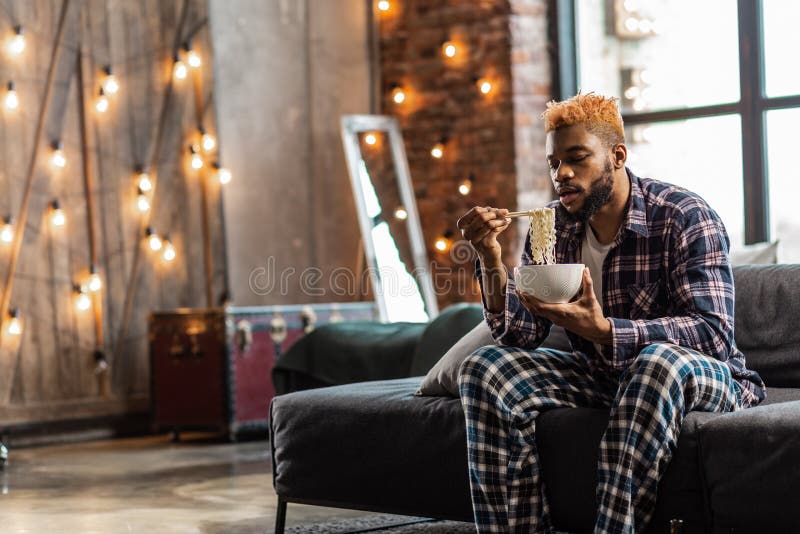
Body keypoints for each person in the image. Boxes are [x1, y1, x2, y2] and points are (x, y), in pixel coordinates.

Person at [455, 92, 765, 534]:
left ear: (617, 156)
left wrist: (606, 331)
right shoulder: (553, 225)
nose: (561, 174)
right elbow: (517, 336)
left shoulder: (683, 216)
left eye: (577, 158)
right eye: (553, 163)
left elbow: (712, 334)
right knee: (484, 368)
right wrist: (489, 258)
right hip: (600, 375)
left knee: (655, 362)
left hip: (703, 377)